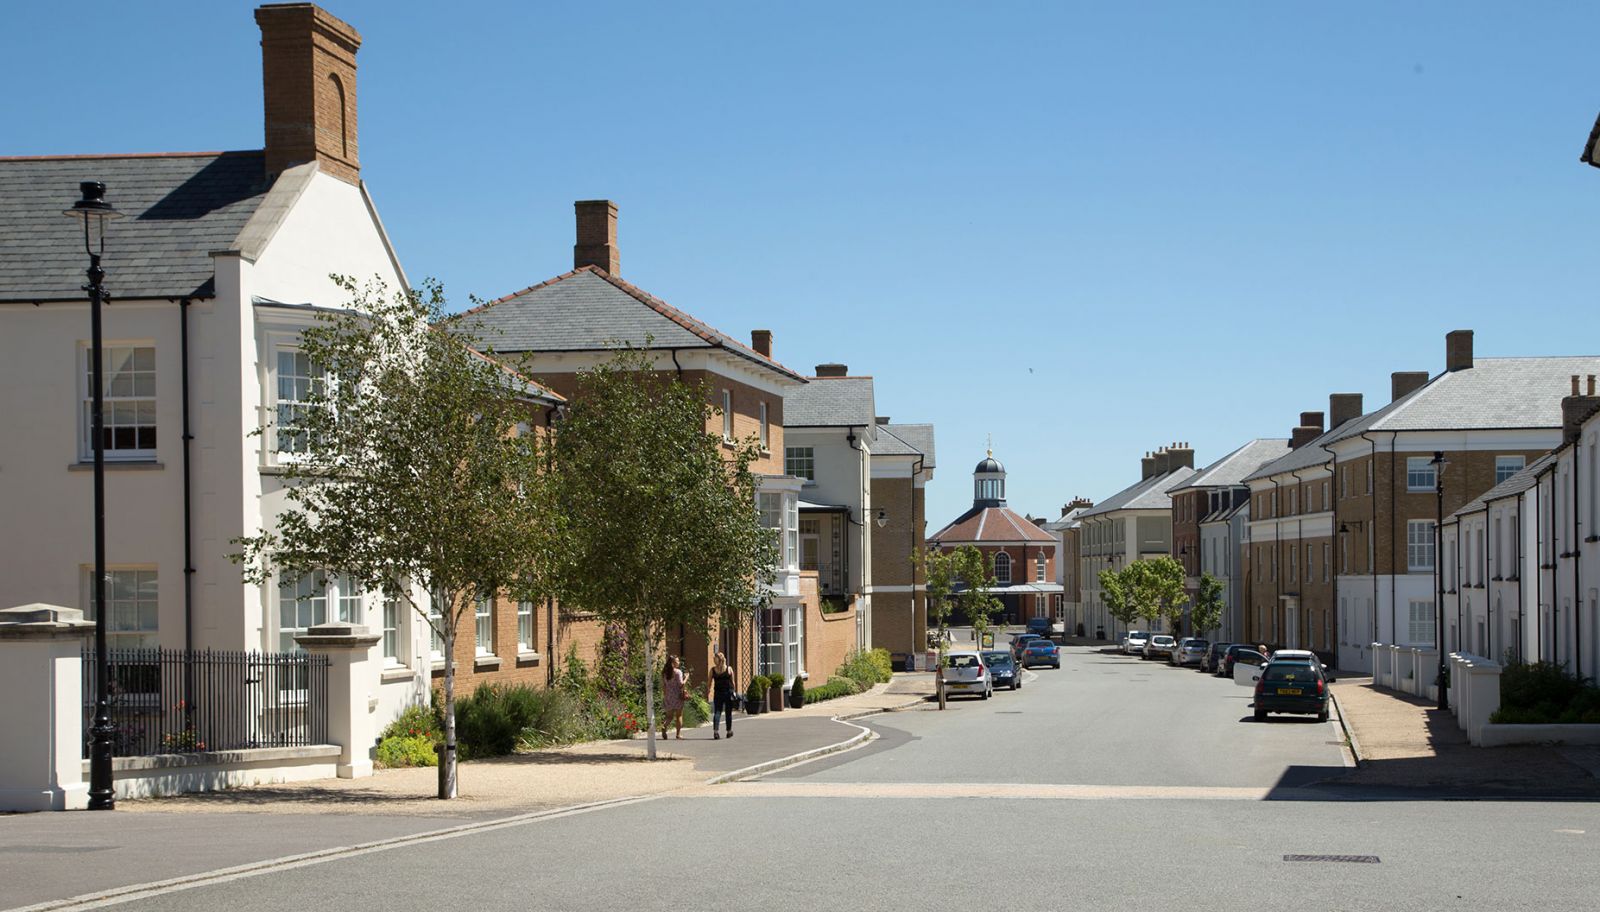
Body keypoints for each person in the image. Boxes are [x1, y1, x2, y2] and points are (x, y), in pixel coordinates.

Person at [710, 652, 735, 739]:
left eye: (714, 658)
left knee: (717, 712)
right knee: (728, 712)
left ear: (717, 660)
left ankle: (716, 732)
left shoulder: (713, 670)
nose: (713, 659)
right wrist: (734, 691)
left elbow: (709, 682)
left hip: (718, 693)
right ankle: (729, 731)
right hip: (728, 692)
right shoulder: (729, 669)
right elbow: (733, 682)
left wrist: (708, 691)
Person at [660, 655, 686, 739]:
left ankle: (664, 726)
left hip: (668, 696)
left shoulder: (665, 673)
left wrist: (665, 696)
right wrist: (686, 678)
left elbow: (664, 685)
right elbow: (681, 684)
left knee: (669, 717)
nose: (679, 662)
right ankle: (678, 734)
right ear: (673, 663)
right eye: (677, 661)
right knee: (679, 715)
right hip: (677, 696)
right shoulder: (678, 672)